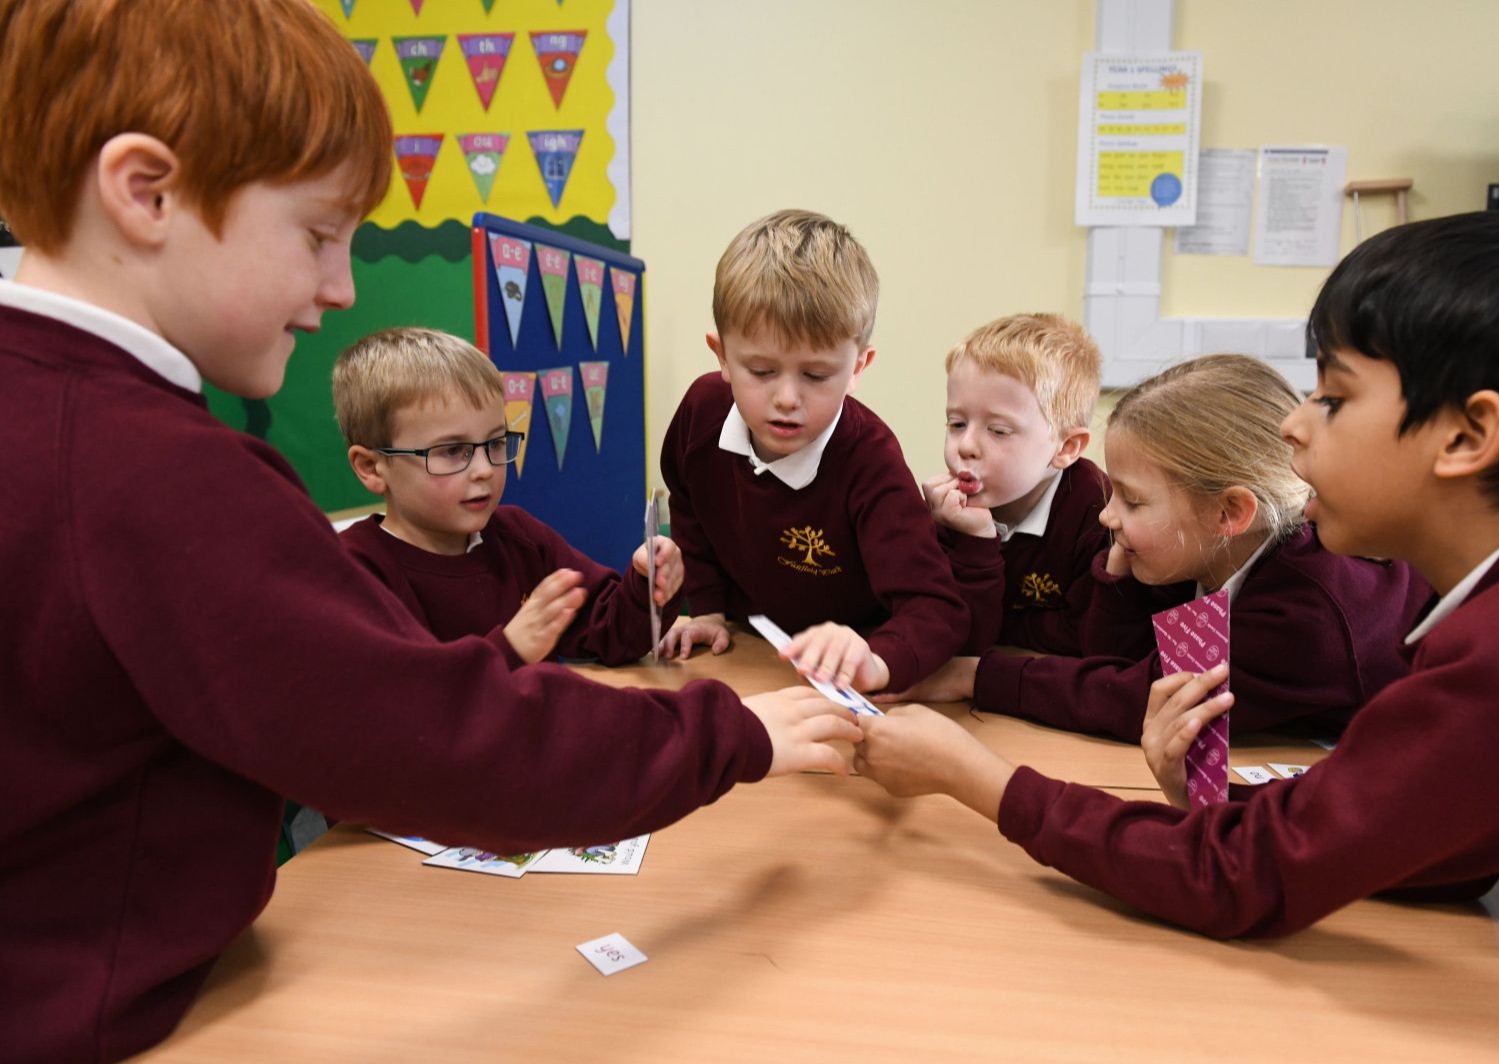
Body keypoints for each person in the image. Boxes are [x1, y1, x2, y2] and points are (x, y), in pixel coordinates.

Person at [0, 3, 857, 1059]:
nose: (339, 288)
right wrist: (733, 735)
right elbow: (432, 736)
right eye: (318, 235)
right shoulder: (157, 473)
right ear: (147, 192)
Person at [856, 211, 1499, 937]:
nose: (1293, 426)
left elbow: (1239, 875)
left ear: (1468, 435)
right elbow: (1437, 837)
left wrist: (973, 776)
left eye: (1334, 398)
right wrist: (1234, 808)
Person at [889, 354, 1426, 743]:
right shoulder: (1206, 547)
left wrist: (975, 676)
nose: (1107, 516)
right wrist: (1117, 576)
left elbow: (1145, 699)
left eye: (1132, 500)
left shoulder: (1305, 615)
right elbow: (1118, 660)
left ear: (1228, 513)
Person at [658, 208, 968, 692]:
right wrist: (708, 610)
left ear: (858, 367)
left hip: (850, 667)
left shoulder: (872, 461)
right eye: (761, 371)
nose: (787, 398)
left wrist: (876, 661)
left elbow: (937, 609)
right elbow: (688, 502)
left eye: (817, 375)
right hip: (753, 653)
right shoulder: (701, 411)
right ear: (721, 355)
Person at [334, 326, 679, 667]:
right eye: (452, 450)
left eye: (496, 443)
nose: (484, 469)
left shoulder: (519, 538)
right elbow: (402, 693)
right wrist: (510, 649)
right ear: (371, 468)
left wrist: (650, 586)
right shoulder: (355, 571)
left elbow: (614, 634)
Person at [924, 313, 1112, 655]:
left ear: (1066, 448)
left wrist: (1003, 624)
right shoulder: (947, 511)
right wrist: (976, 541)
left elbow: (1087, 639)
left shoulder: (1100, 514)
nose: (966, 445)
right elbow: (953, 638)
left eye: (998, 431)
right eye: (957, 423)